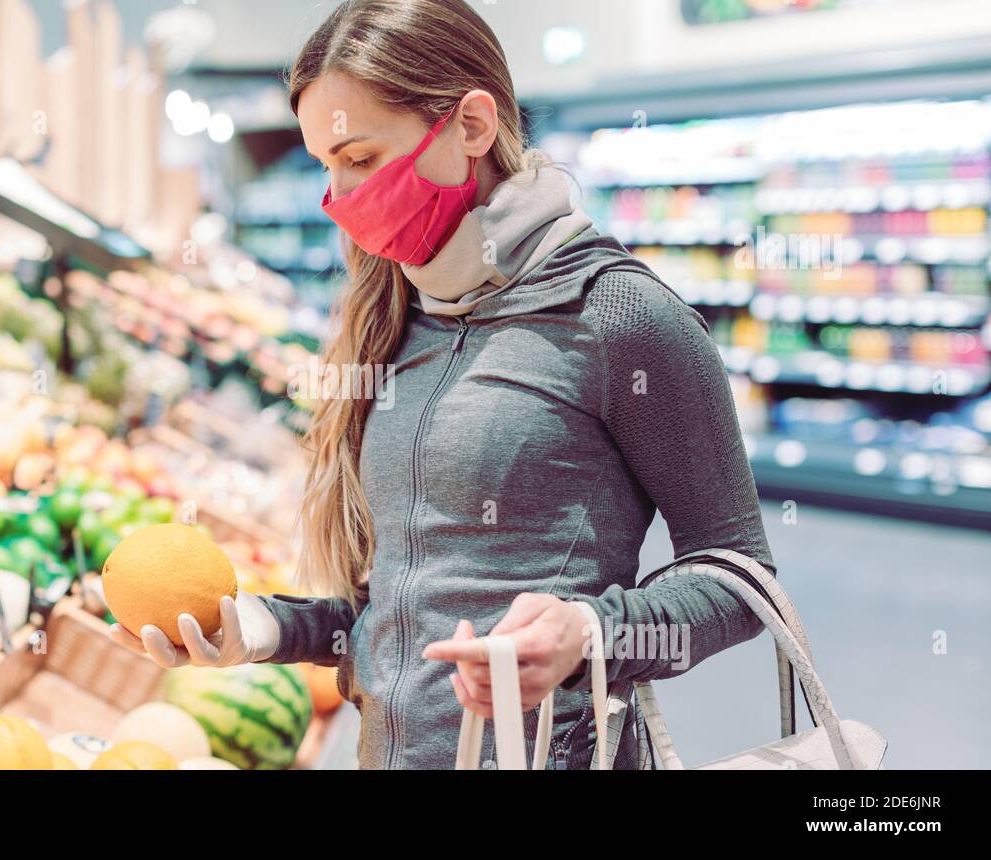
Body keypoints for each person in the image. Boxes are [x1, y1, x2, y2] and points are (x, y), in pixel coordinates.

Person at [110, 0, 776, 770]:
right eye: (326, 166)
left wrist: (591, 633)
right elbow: (395, 612)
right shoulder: (397, 319)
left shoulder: (619, 315)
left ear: (470, 126)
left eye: (359, 159)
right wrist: (260, 630)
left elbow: (739, 575)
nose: (341, 199)